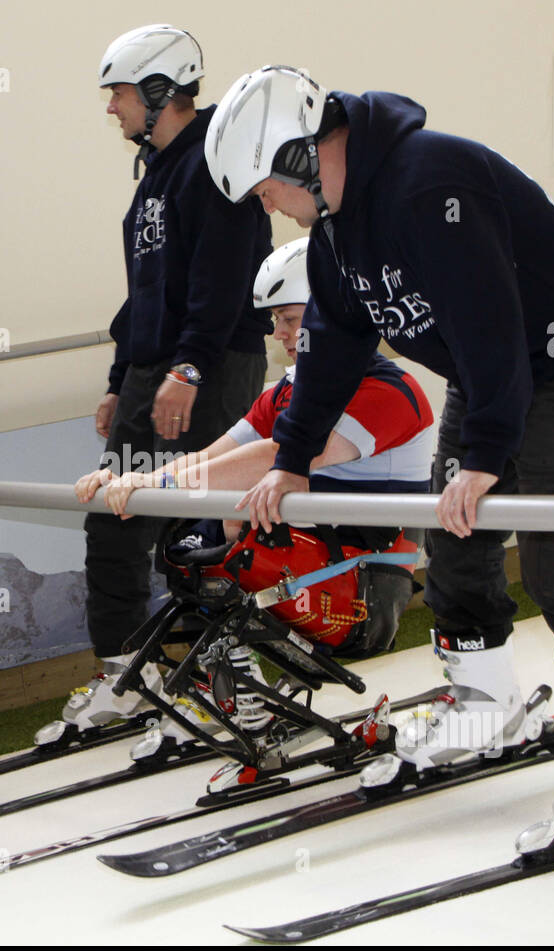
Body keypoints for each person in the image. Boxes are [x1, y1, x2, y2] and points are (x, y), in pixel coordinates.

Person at [204, 66, 554, 835]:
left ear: (299, 155)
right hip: (491, 370)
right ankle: (488, 706)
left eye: (263, 186)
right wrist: (289, 457)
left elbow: (489, 315)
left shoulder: (429, 182)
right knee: (456, 544)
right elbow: (332, 348)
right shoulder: (334, 236)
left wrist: (489, 452)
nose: (265, 205)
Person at [77, 236, 434, 762]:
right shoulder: (290, 390)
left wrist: (155, 485)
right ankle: (235, 687)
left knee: (227, 524)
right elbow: (211, 456)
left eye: (289, 318)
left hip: (365, 586)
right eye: (275, 321)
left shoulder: (388, 389)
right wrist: (128, 477)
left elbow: (280, 455)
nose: (279, 334)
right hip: (311, 561)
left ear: (334, 309)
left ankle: (237, 688)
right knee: (198, 532)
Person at [63, 25, 274, 732]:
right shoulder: (154, 177)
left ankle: (236, 679)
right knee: (116, 522)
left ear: (158, 91)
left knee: (204, 529)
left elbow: (224, 280)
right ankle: (128, 679)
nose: (110, 108)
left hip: (207, 366)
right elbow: (145, 292)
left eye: (118, 92)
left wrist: (188, 367)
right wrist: (122, 378)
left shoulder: (213, 165)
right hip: (158, 372)